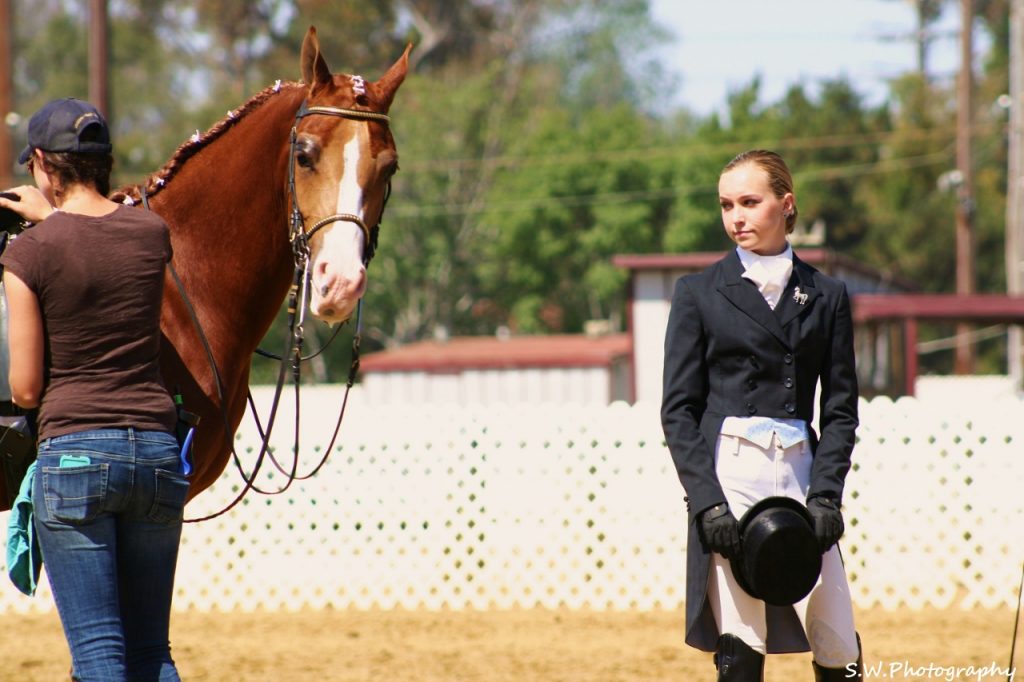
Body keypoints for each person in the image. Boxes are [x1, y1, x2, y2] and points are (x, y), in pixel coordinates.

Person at [0, 98, 188, 680]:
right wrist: (54, 222)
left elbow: (27, 389)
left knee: (100, 654)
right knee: (150, 652)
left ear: (41, 165)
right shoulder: (152, 234)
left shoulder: (28, 252)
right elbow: (109, 242)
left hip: (77, 455)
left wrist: (44, 228)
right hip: (157, 458)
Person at [660, 149, 863, 681]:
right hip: (730, 478)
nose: (736, 218)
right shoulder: (697, 294)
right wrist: (707, 506)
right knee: (741, 645)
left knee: (839, 640)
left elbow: (840, 409)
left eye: (750, 202)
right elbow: (678, 412)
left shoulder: (828, 295)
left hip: (801, 473)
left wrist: (826, 494)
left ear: (786, 204)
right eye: (727, 205)